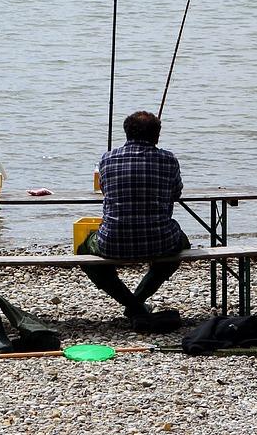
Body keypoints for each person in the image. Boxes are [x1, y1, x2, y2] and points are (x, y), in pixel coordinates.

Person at [77, 110, 190, 317]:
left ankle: (131, 304)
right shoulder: (169, 160)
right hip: (160, 242)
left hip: (112, 243)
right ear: (156, 135)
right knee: (181, 243)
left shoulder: (107, 159)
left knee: (84, 250)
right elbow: (176, 193)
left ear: (127, 133)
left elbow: (104, 190)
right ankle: (136, 303)